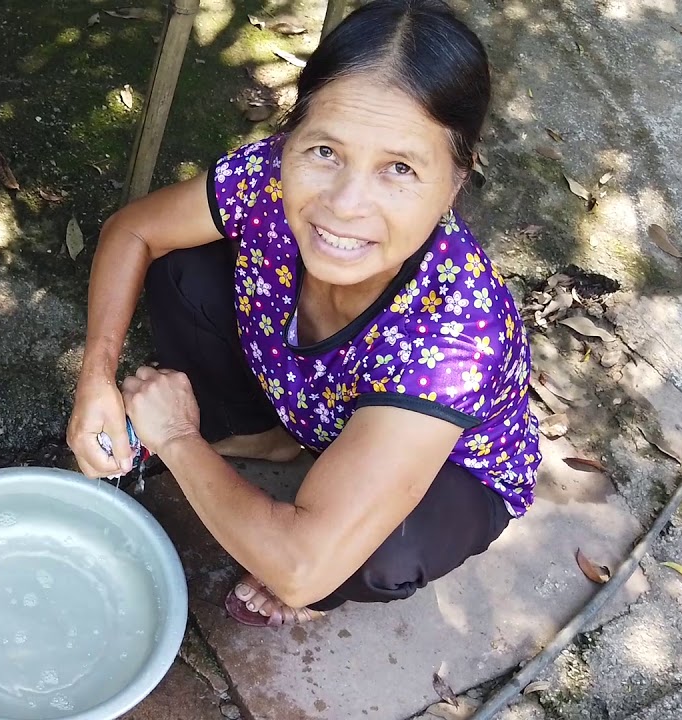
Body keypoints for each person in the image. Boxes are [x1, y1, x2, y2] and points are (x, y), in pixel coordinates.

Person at [66, 0, 542, 627]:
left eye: (399, 168)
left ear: (457, 177)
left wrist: (178, 438)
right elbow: (134, 232)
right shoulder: (266, 178)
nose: (345, 205)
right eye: (324, 151)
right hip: (313, 393)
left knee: (361, 561)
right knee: (184, 273)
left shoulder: (457, 335)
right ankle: (275, 440)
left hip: (449, 467)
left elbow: (299, 566)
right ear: (294, 135)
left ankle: (325, 542)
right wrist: (96, 375)